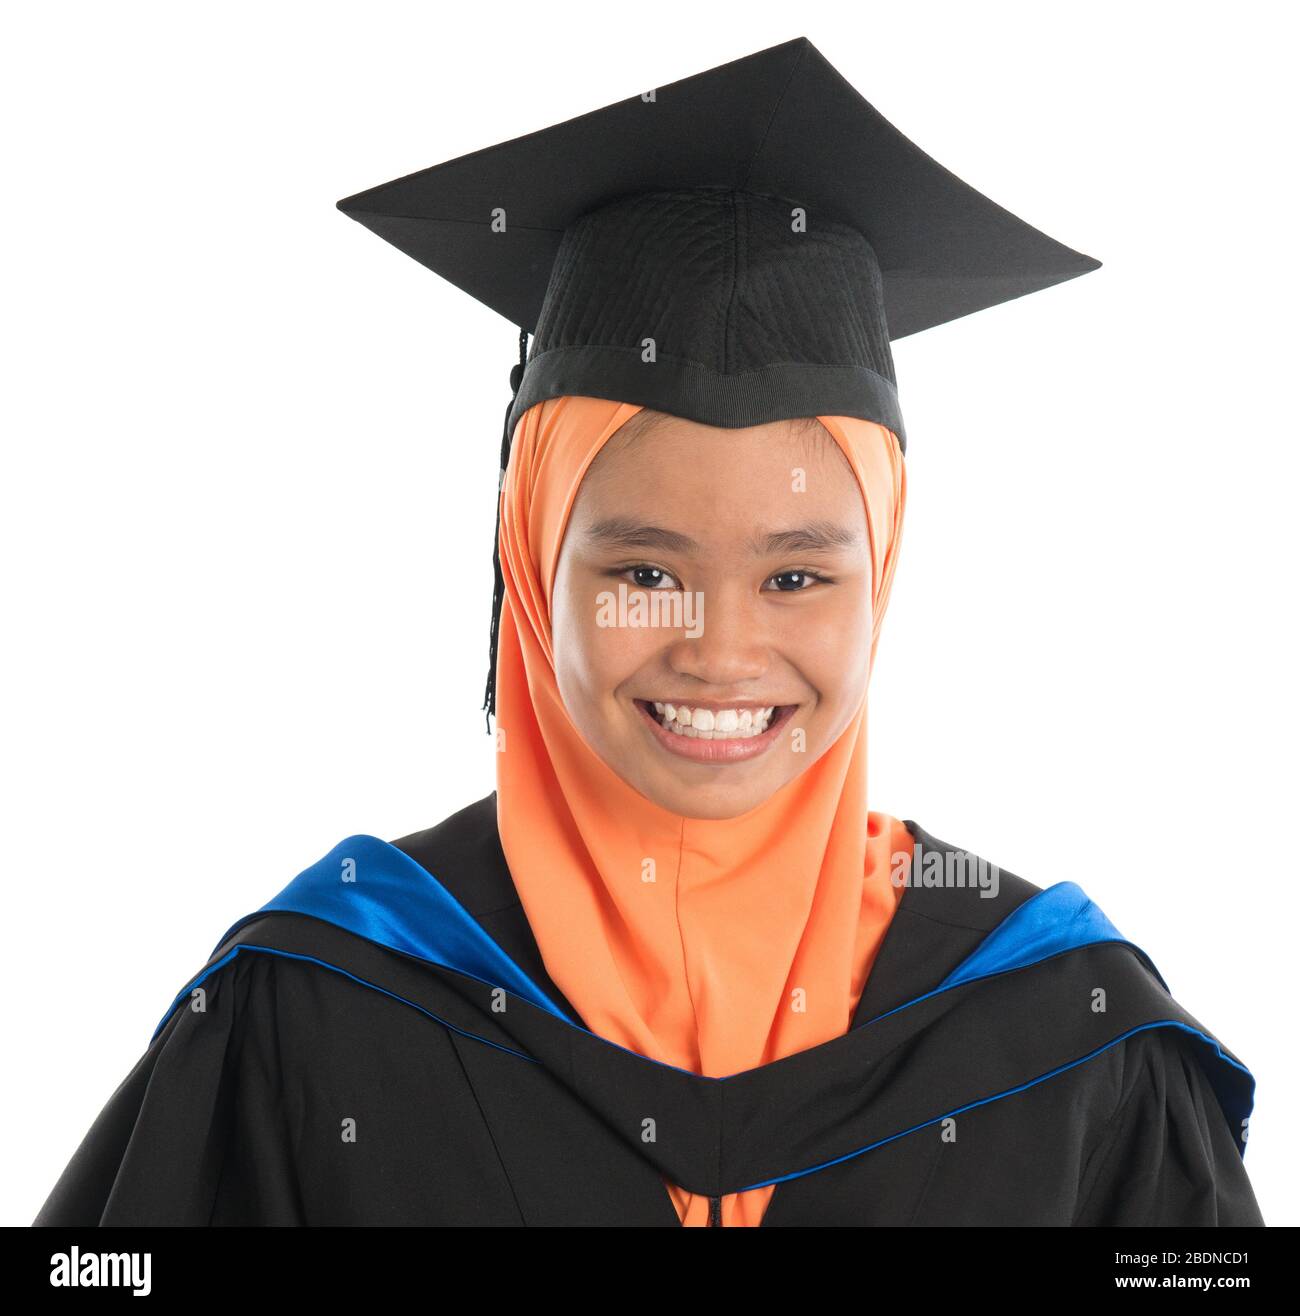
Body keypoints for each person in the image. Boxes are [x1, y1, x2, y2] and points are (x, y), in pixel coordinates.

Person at [34, 36, 1263, 1228]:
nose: (721, 654)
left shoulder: (1064, 1030)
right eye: (642, 569)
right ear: (530, 564)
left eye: (795, 577)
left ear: (882, 573)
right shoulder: (324, 1000)